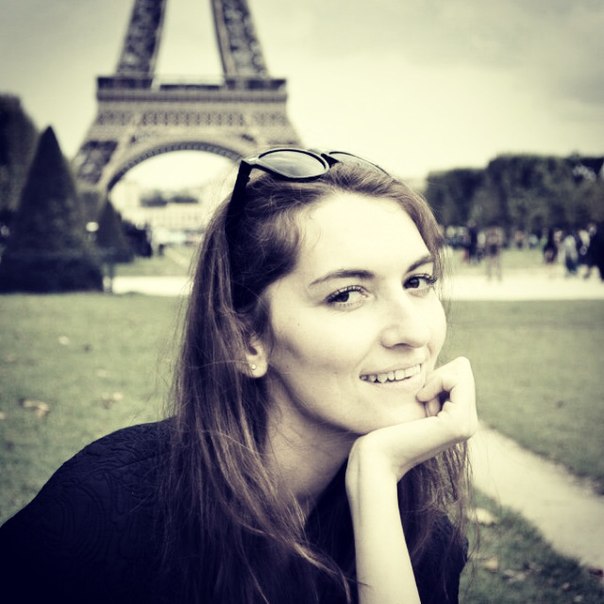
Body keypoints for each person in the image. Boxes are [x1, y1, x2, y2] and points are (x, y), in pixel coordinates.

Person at [0, 148, 477, 604]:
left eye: (417, 281)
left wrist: (375, 479)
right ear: (246, 340)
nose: (414, 332)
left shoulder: (423, 540)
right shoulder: (103, 513)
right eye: (347, 294)